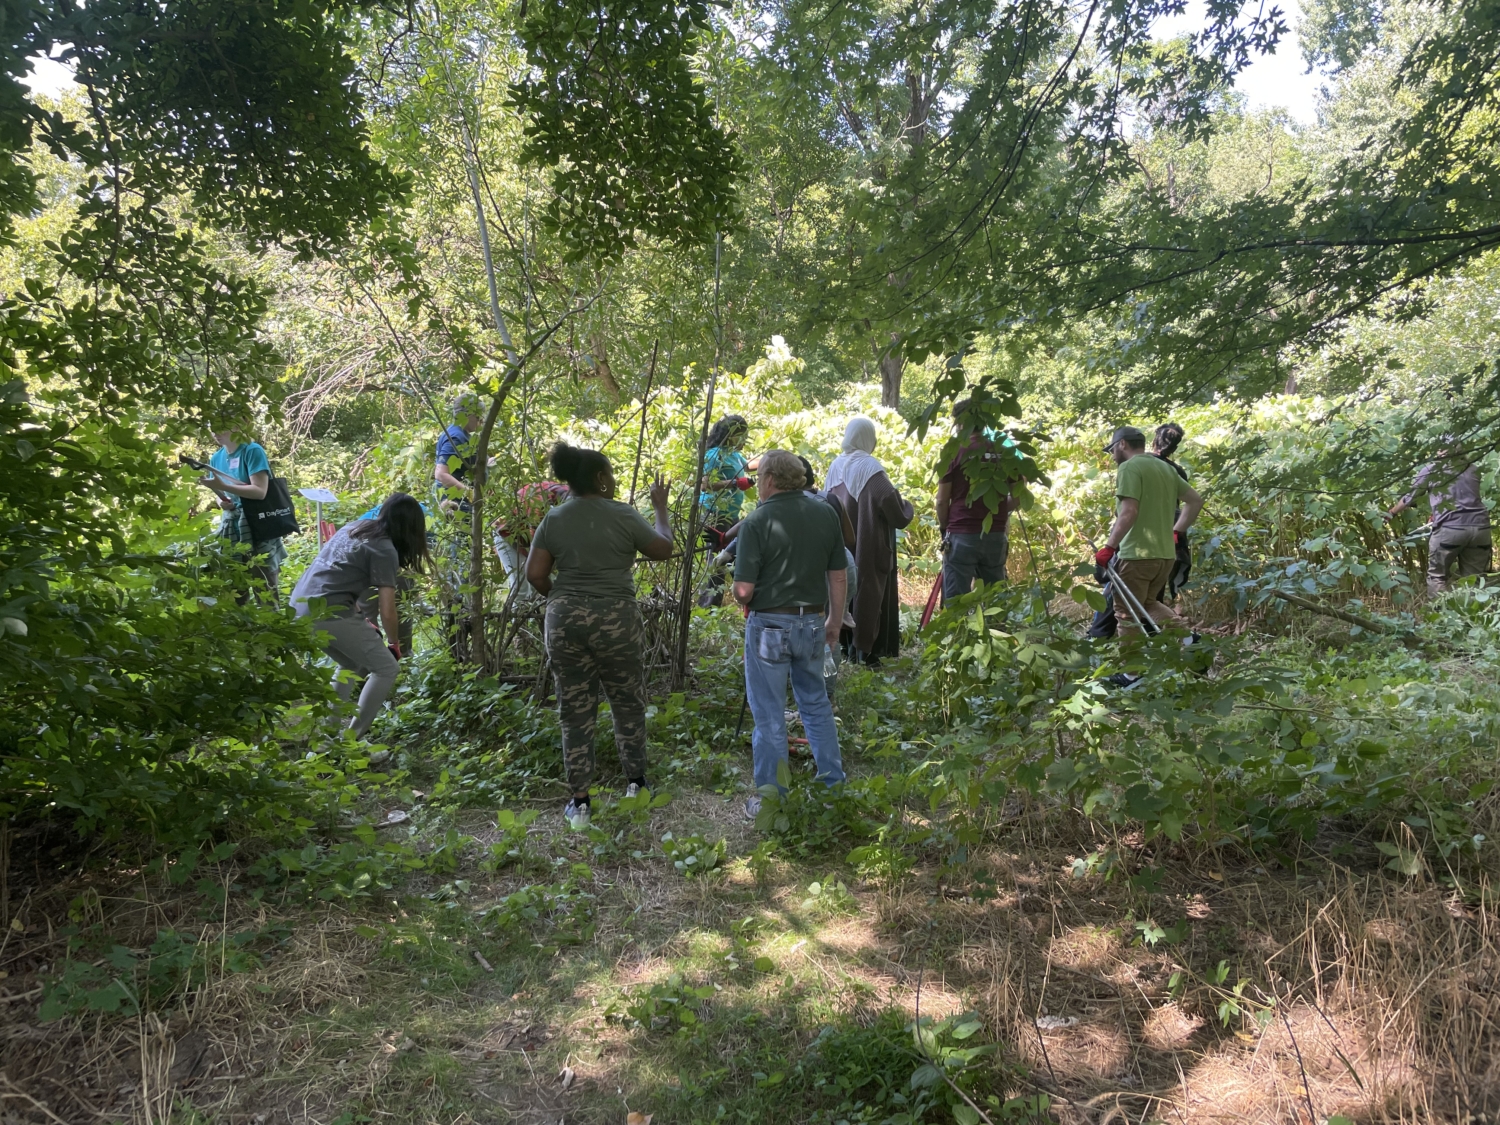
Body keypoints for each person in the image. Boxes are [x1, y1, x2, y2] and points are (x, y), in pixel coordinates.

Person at [526, 443, 674, 830]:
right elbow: (663, 549)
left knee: (574, 709)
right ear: (599, 478)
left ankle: (579, 803)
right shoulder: (622, 514)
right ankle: (636, 784)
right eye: (610, 473)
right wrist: (660, 507)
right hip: (617, 619)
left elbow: (535, 574)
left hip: (564, 621)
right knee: (627, 700)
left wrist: (562, 600)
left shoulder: (554, 519)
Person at [732, 449, 848, 816]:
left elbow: (744, 591)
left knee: (768, 713)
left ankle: (771, 797)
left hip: (768, 625)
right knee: (815, 704)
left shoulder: (756, 522)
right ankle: (833, 785)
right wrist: (834, 620)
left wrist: (737, 591)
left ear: (768, 479)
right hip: (813, 623)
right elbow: (839, 575)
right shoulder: (825, 512)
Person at [291, 494, 429, 738]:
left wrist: (362, 618)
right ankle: (352, 739)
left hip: (300, 606)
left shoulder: (353, 528)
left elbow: (341, 575)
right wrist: (394, 644)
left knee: (351, 664)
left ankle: (328, 737)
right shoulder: (385, 548)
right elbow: (388, 609)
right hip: (329, 612)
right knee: (387, 669)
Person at [1092, 426, 1204, 684]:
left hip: (1137, 555)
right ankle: (1189, 639)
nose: (1112, 456)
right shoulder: (1165, 468)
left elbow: (1128, 512)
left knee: (1125, 614)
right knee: (1148, 603)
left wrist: (1109, 547)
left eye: (1112, 450)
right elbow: (1195, 501)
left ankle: (1132, 675)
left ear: (1122, 445)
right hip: (1165, 554)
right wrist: (1176, 532)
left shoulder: (1130, 468)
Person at [826, 416, 914, 665]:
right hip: (868, 542)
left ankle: (844, 646)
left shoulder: (835, 466)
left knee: (842, 590)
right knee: (868, 590)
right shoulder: (870, 468)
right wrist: (908, 506)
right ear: (868, 438)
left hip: (842, 542)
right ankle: (865, 651)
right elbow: (894, 509)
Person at [936, 399, 1018, 604]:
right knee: (994, 600)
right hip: (995, 534)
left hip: (961, 533)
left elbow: (942, 500)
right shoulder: (1002, 450)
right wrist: (999, 510)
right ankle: (996, 633)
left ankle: (957, 635)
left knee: (956, 602)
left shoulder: (954, 450)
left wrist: (944, 527)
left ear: (961, 422)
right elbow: (1019, 493)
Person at [198, 425, 287, 599]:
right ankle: (240, 625)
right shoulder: (217, 457)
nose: (215, 432)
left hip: (257, 526)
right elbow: (221, 494)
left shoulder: (252, 450)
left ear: (237, 426)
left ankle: (271, 624)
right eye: (211, 427)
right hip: (232, 527)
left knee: (265, 587)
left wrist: (222, 486)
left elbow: (260, 492)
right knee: (235, 588)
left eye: (221, 426)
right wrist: (221, 501)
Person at [1387, 450, 1493, 594]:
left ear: (1439, 450)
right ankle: (1472, 615)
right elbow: (1464, 496)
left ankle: (1440, 613)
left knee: (1437, 577)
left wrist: (1391, 513)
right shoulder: (1473, 468)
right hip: (1481, 529)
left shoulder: (1432, 470)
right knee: (1474, 580)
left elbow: (1409, 498)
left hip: (1450, 529)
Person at [697, 415, 757, 605]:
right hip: (714, 514)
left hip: (730, 515)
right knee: (717, 561)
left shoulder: (734, 454)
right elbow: (705, 484)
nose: (745, 440)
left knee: (732, 555)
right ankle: (707, 608)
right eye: (742, 435)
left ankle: (741, 599)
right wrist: (733, 483)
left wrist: (772, 460)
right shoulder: (714, 455)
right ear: (732, 435)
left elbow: (748, 466)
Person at [434, 393, 484, 511]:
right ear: (466, 415)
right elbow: (441, 474)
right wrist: (469, 493)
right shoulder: (456, 437)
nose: (480, 420)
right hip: (456, 503)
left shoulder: (457, 432)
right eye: (477, 416)